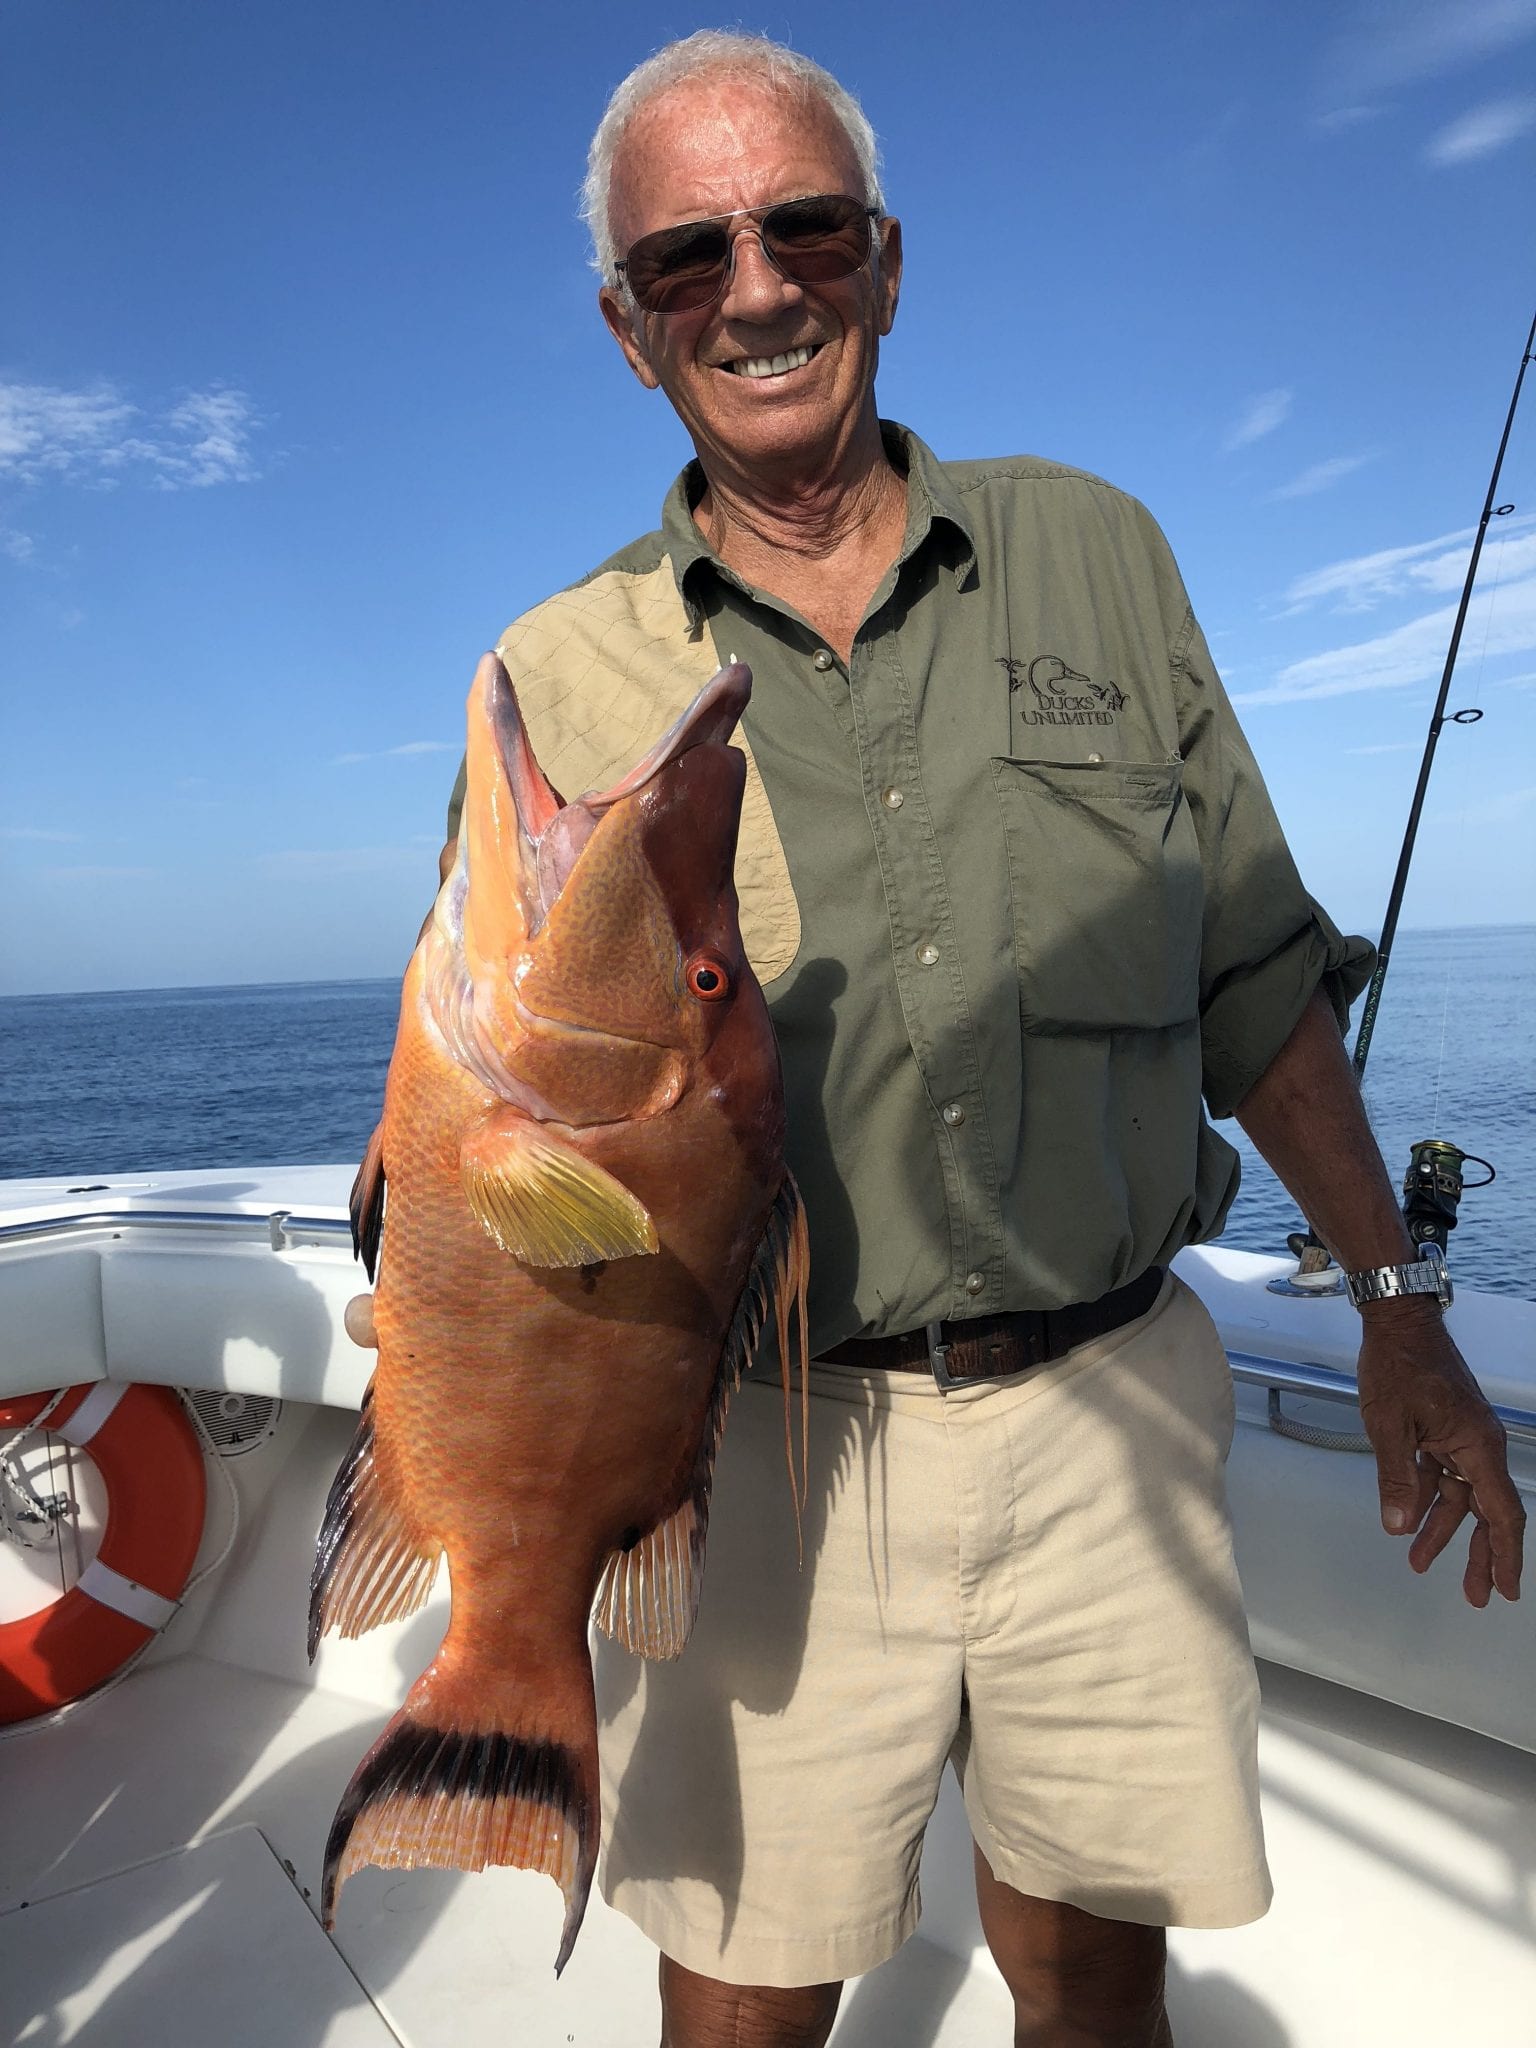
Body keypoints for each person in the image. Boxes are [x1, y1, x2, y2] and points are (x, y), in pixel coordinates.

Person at [428, 31, 1524, 2047]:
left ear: (888, 260)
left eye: (804, 226)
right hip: (758, 1440)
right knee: (747, 1990)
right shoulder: (555, 673)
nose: (757, 289)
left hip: (1109, 1405)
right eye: (687, 259)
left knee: (1096, 1971)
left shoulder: (1097, 552)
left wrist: (1399, 1306)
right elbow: (474, 1117)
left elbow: (1258, 971)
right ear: (626, 329)